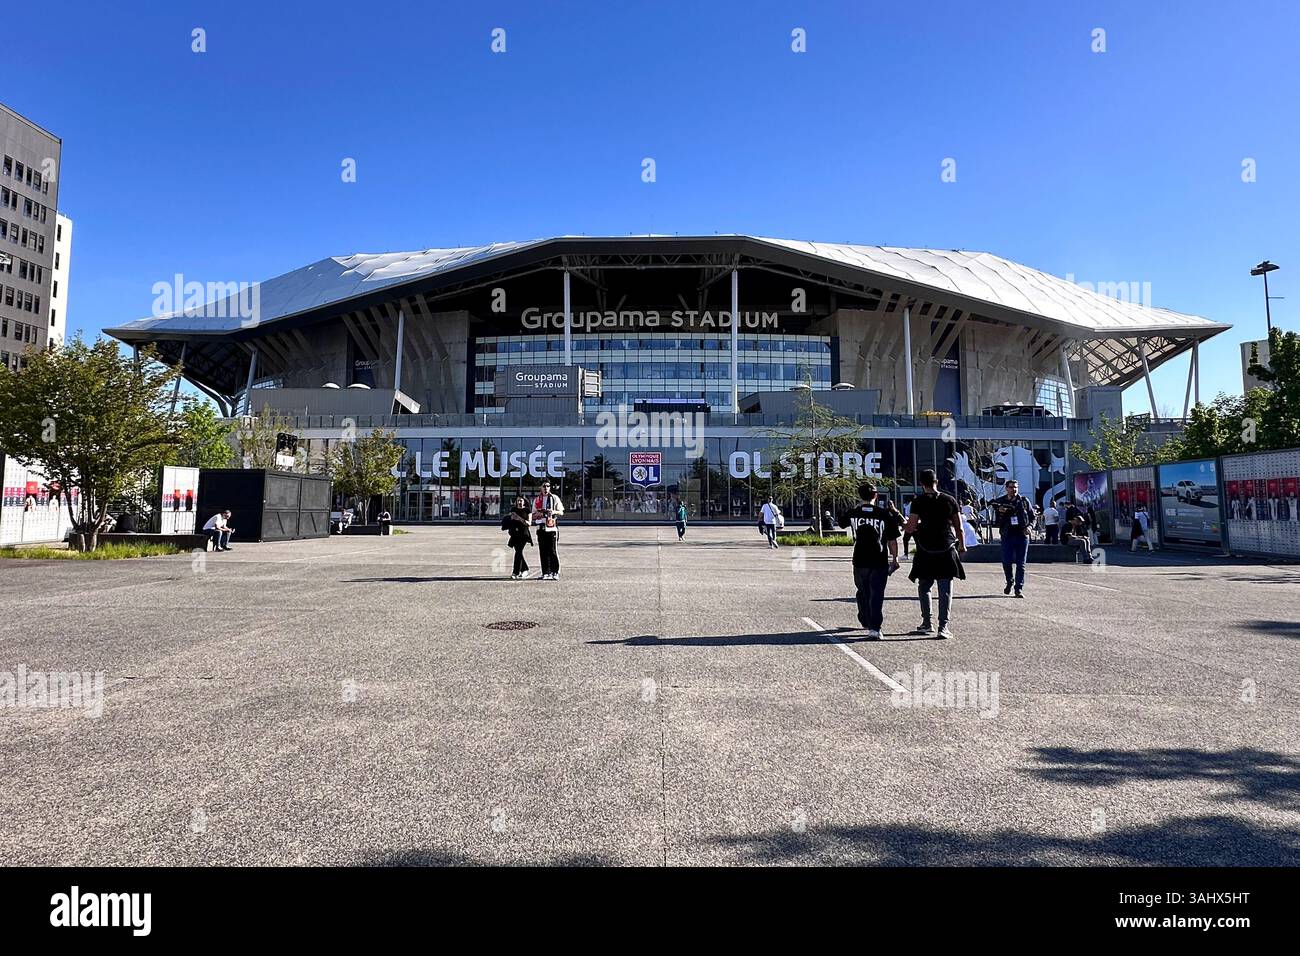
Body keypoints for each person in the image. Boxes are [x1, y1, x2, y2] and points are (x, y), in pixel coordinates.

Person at [904, 469, 966, 640]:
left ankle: (926, 622)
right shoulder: (950, 500)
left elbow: (910, 527)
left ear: (922, 484)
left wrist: (904, 523)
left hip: (925, 547)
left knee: (924, 586)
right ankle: (943, 626)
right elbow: (959, 527)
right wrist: (963, 546)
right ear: (936, 482)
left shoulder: (918, 501)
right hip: (946, 546)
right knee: (945, 587)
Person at [838, 482, 902, 639]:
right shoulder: (884, 514)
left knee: (863, 591)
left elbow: (841, 523)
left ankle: (865, 618)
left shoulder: (854, 513)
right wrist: (895, 558)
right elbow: (892, 540)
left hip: (859, 559)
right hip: (878, 560)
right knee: (877, 594)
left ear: (859, 495)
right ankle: (874, 628)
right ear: (876, 495)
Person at [991, 479, 1035, 598]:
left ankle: (1018, 588)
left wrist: (1030, 527)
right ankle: (1009, 581)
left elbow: (1032, 517)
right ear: (1006, 488)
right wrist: (999, 511)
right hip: (1007, 535)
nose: (1014, 489)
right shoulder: (1001, 501)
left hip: (1022, 535)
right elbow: (995, 514)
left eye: (1015, 487)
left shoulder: (1024, 501)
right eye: (1011, 487)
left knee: (1021, 564)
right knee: (1006, 561)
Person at [532, 481, 564, 580]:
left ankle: (555, 571)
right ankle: (546, 572)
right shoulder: (537, 500)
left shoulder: (554, 498)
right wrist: (539, 514)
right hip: (540, 527)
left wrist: (553, 512)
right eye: (544, 486)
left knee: (552, 550)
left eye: (548, 486)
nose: (546, 488)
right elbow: (532, 514)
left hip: (551, 527)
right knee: (543, 551)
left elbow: (561, 512)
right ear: (540, 488)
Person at [501, 496, 534, 579]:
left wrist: (519, 518)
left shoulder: (527, 510)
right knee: (518, 552)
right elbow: (510, 519)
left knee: (518, 551)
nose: (519, 502)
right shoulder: (513, 509)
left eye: (521, 501)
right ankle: (524, 569)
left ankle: (515, 572)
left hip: (523, 534)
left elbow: (529, 523)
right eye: (518, 501)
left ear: (524, 501)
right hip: (514, 534)